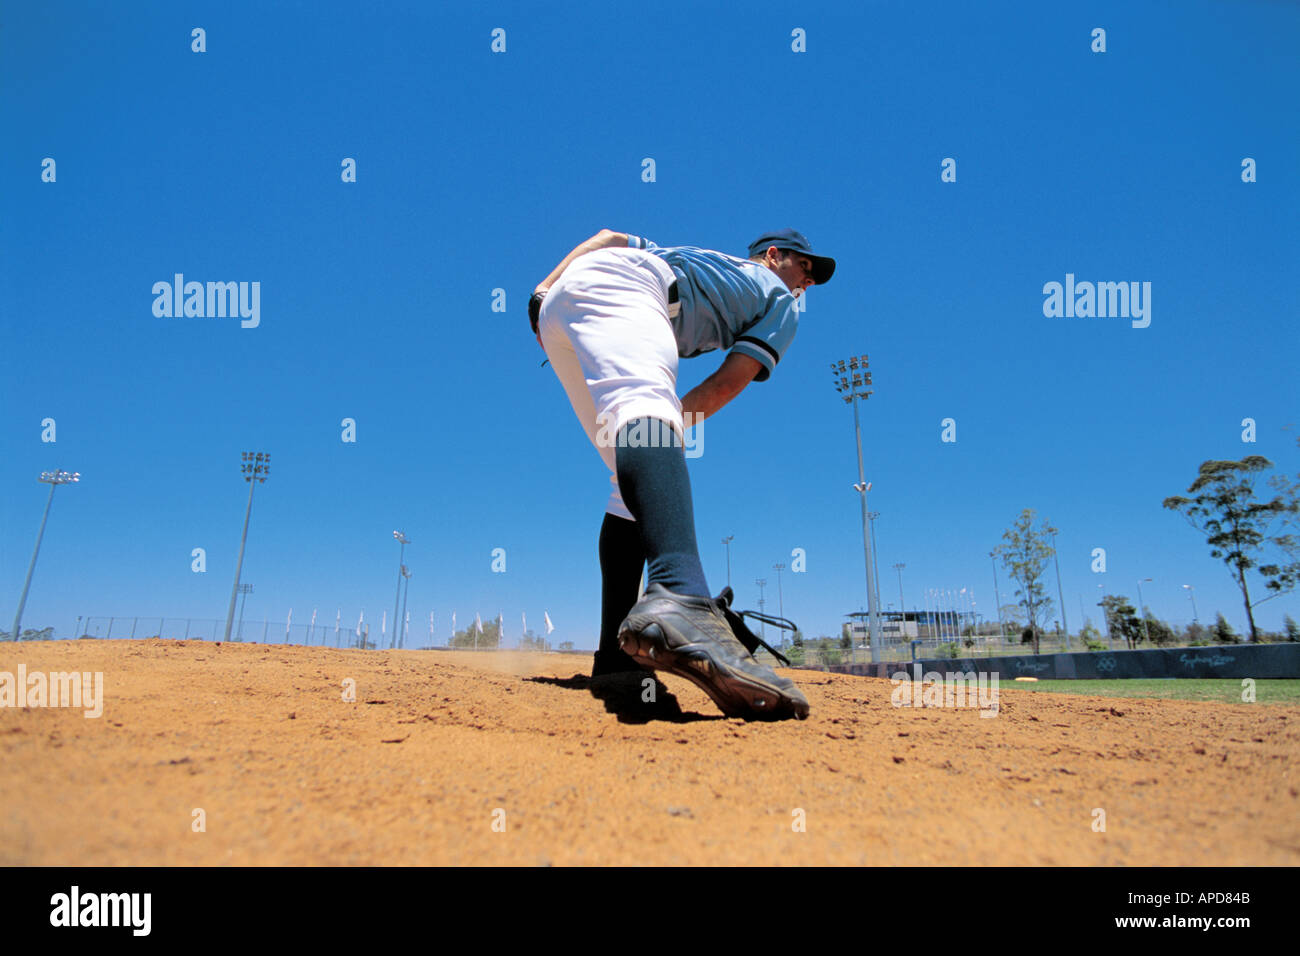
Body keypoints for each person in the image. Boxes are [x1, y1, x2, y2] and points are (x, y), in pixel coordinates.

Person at [530, 229, 835, 720]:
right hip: (633, 292)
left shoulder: (693, 253)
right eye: (806, 267)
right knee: (647, 417)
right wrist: (664, 424)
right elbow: (723, 385)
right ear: (773, 257)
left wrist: (543, 291)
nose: (809, 282)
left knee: (628, 477)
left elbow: (609, 236)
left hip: (559, 307)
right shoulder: (781, 300)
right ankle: (682, 593)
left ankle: (613, 655)